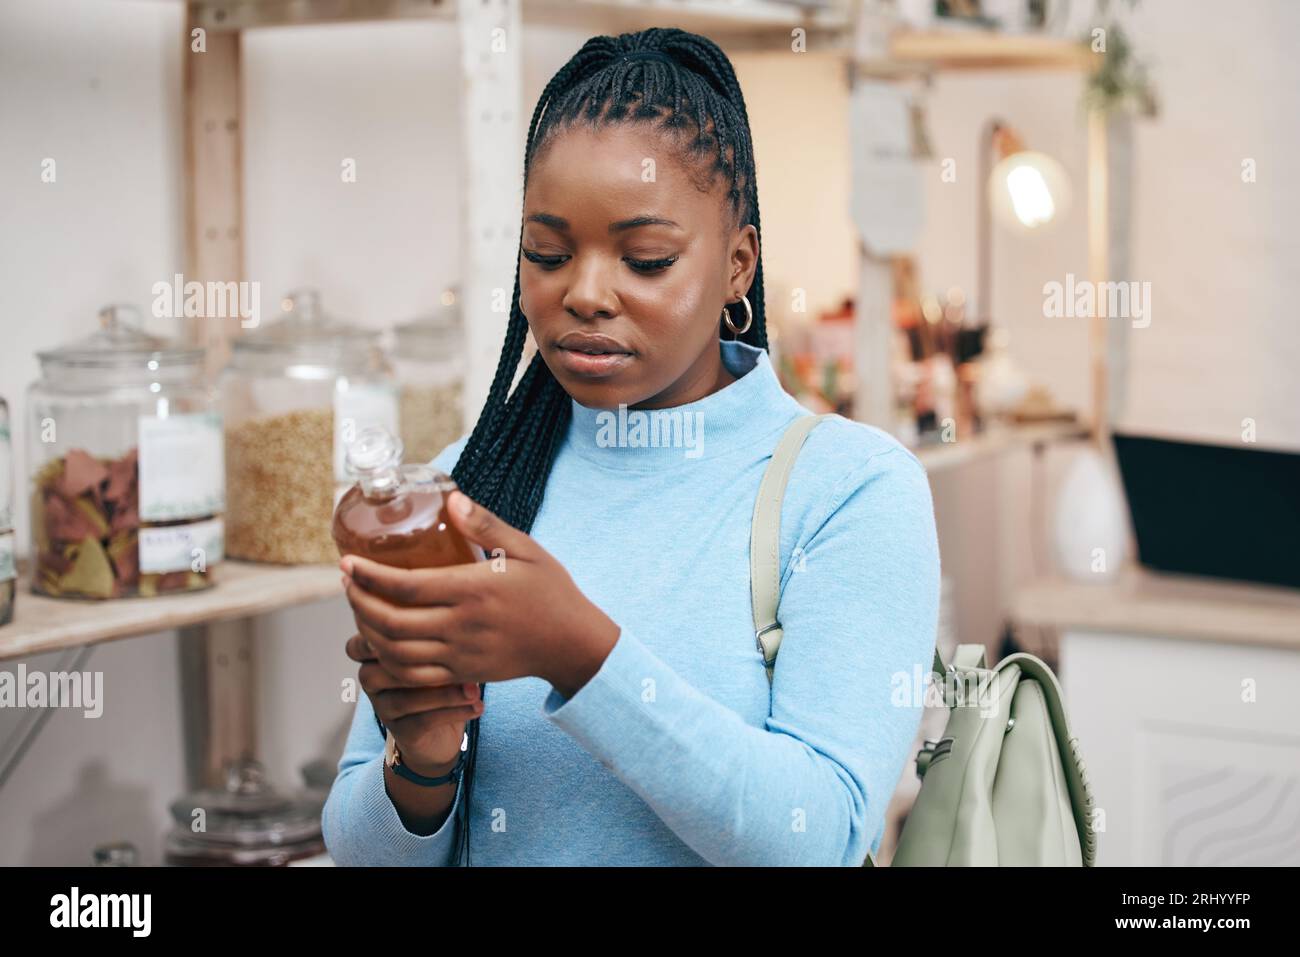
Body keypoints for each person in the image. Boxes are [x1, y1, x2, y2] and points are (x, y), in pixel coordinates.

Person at [322, 26, 940, 866]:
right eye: (546, 251)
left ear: (737, 264)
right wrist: (420, 764)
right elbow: (360, 852)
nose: (582, 292)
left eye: (645, 258)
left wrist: (578, 650)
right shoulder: (483, 469)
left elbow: (819, 836)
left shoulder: (849, 490)